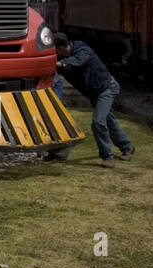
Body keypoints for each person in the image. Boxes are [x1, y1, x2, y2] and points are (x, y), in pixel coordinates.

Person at [55, 33, 135, 167]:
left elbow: (80, 60)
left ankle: (107, 157)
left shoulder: (81, 48)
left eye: (55, 50)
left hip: (106, 88)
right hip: (94, 93)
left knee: (98, 122)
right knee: (109, 120)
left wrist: (61, 63)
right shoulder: (64, 58)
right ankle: (127, 147)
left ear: (61, 48)